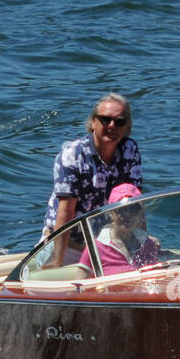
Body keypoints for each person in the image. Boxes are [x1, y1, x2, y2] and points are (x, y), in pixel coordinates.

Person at [42, 93, 142, 264]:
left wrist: (142, 245)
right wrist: (56, 262)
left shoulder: (129, 150)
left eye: (119, 122)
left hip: (107, 243)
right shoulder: (72, 155)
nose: (112, 126)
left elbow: (133, 205)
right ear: (93, 122)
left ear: (127, 127)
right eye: (105, 120)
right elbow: (66, 212)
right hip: (67, 243)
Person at [78, 183, 161, 276]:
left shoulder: (148, 245)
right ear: (110, 212)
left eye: (134, 208)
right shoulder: (96, 248)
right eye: (121, 209)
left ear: (140, 213)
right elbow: (78, 287)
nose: (127, 214)